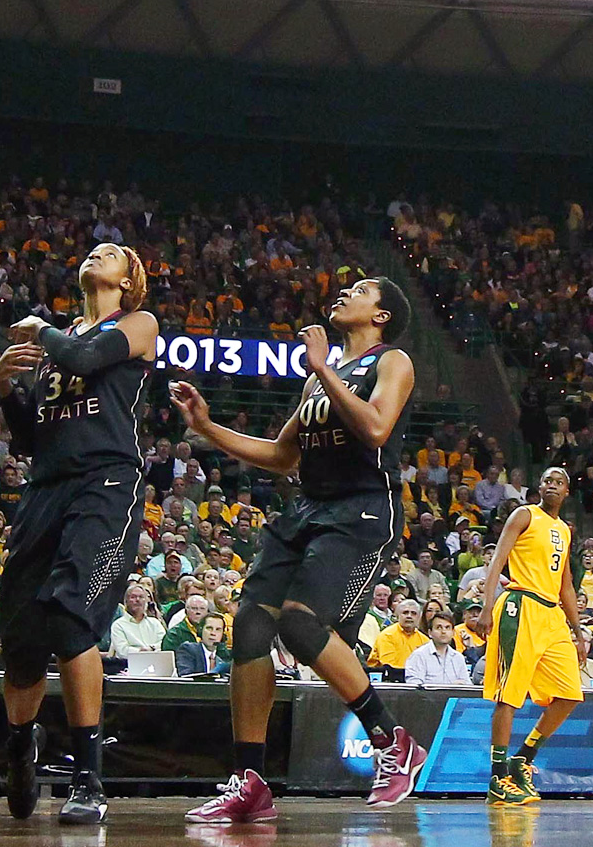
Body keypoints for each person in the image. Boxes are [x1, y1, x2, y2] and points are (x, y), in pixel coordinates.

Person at [177, 278, 424, 825]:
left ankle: (392, 740)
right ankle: (250, 782)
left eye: (360, 290)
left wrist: (323, 370)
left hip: (361, 513)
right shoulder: (324, 377)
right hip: (308, 511)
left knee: (300, 625)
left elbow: (377, 428)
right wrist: (207, 426)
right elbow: (283, 456)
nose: (344, 292)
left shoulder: (392, 361)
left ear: (381, 315)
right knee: (249, 627)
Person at [0, 242, 157, 827]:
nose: (98, 253)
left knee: (71, 616)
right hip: (46, 485)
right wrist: (5, 391)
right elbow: (31, 439)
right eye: (93, 249)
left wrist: (40, 335)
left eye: (113, 252)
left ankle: (88, 777)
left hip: (106, 482)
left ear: (128, 279)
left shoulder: (138, 324)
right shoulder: (56, 339)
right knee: (19, 643)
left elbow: (87, 360)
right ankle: (19, 745)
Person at [473, 466, 585, 806]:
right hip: (520, 605)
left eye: (558, 482)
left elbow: (565, 583)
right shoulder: (525, 515)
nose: (552, 485)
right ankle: (497, 778)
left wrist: (578, 631)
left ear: (567, 492)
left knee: (569, 694)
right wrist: (486, 606)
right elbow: (498, 561)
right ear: (539, 487)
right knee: (509, 695)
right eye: (547, 480)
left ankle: (523, 758)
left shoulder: (564, 530)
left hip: (551, 614)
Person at [404, 611, 470, 687]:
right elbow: (414, 687)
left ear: (453, 633)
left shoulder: (458, 658)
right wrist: (450, 687)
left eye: (447, 627)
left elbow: (467, 685)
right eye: (438, 627)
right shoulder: (419, 655)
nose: (443, 631)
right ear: (430, 633)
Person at [177, 613, 232, 677]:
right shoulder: (188, 650)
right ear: (201, 630)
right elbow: (186, 679)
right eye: (209, 628)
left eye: (218, 629)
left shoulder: (224, 658)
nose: (213, 633)